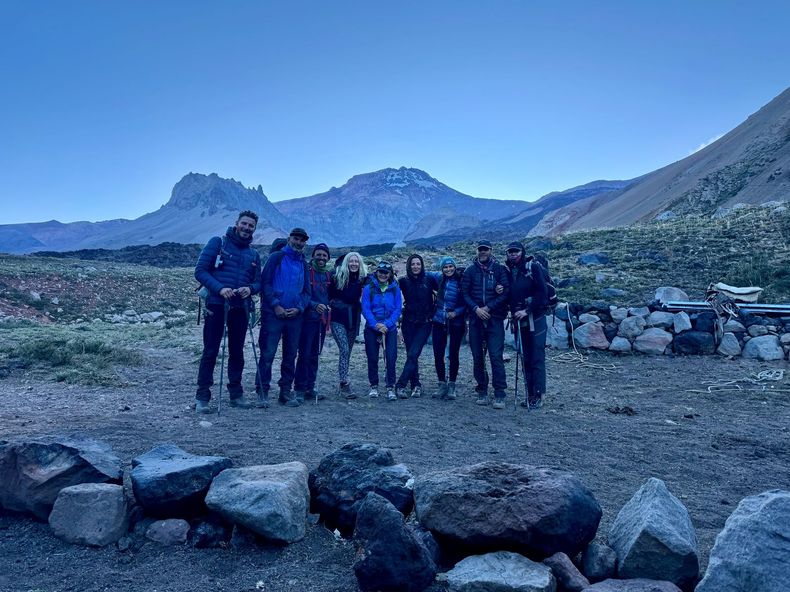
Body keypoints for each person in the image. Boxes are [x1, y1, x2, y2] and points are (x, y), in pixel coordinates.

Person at [193, 210, 261, 413]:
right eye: (244, 223)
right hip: (216, 304)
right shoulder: (218, 243)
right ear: (236, 223)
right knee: (211, 350)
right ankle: (202, 397)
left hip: (240, 307)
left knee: (237, 351)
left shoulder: (254, 254)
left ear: (254, 229)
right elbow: (200, 271)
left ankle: (236, 394)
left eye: (251, 225)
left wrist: (250, 289)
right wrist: (220, 289)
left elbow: (258, 281)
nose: (247, 228)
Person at [257, 227, 311, 408]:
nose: (298, 242)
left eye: (302, 240)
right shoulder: (276, 257)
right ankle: (262, 391)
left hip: (294, 317)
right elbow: (265, 283)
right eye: (296, 239)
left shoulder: (303, 263)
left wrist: (299, 308)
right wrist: (275, 305)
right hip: (273, 315)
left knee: (290, 355)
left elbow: (307, 292)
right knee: (267, 353)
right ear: (289, 239)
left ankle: (285, 392)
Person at [461, 239, 510, 409]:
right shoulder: (470, 270)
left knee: (496, 356)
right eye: (480, 249)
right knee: (478, 357)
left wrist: (488, 308)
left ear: (491, 250)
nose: (483, 252)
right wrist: (476, 309)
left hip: (494, 319)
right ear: (477, 251)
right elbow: (464, 293)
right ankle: (482, 389)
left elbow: (506, 292)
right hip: (476, 320)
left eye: (486, 249)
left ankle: (499, 393)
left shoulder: (499, 269)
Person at [505, 241, 550, 409]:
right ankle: (530, 394)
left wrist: (528, 310)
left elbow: (543, 293)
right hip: (519, 320)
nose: (513, 254)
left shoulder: (533, 268)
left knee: (536, 356)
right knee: (525, 357)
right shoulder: (509, 271)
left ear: (522, 252)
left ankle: (539, 394)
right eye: (510, 252)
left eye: (516, 251)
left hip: (535, 318)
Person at [395, 254, 437, 398]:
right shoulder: (403, 281)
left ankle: (400, 385)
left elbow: (444, 288)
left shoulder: (429, 279)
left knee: (414, 353)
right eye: (413, 264)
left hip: (425, 322)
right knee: (411, 354)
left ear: (422, 265)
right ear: (409, 266)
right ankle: (416, 385)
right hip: (408, 322)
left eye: (418, 264)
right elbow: (389, 289)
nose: (415, 266)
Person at [294, 243, 332, 402]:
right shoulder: (307, 272)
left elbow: (331, 296)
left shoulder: (328, 275)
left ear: (328, 258)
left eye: (324, 255)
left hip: (321, 321)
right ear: (313, 255)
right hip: (307, 319)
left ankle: (310, 386)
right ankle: (299, 388)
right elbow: (301, 294)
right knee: (304, 354)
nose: (321, 258)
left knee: (315, 354)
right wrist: (315, 305)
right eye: (318, 254)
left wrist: (328, 305)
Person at [329, 252, 368, 399]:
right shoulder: (336, 276)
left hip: (353, 319)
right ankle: (344, 382)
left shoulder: (362, 279)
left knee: (347, 351)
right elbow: (327, 293)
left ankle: (343, 381)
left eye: (356, 261)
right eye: (351, 261)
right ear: (346, 262)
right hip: (337, 318)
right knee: (344, 349)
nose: (354, 264)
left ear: (360, 264)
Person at [361, 261, 402, 401]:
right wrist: (376, 325)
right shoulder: (368, 288)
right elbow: (365, 308)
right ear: (376, 272)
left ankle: (390, 386)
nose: (383, 275)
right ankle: (373, 385)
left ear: (390, 274)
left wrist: (387, 324)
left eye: (386, 273)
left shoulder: (395, 289)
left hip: (389, 328)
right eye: (381, 272)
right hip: (372, 327)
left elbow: (398, 308)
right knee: (372, 357)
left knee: (390, 357)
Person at [431, 256, 466, 400]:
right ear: (442, 269)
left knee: (453, 353)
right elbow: (424, 274)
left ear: (455, 267)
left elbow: (466, 302)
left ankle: (452, 384)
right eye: (445, 267)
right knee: (438, 353)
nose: (448, 269)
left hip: (455, 322)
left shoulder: (461, 281)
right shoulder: (439, 279)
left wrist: (456, 312)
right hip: (439, 320)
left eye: (451, 266)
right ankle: (441, 383)